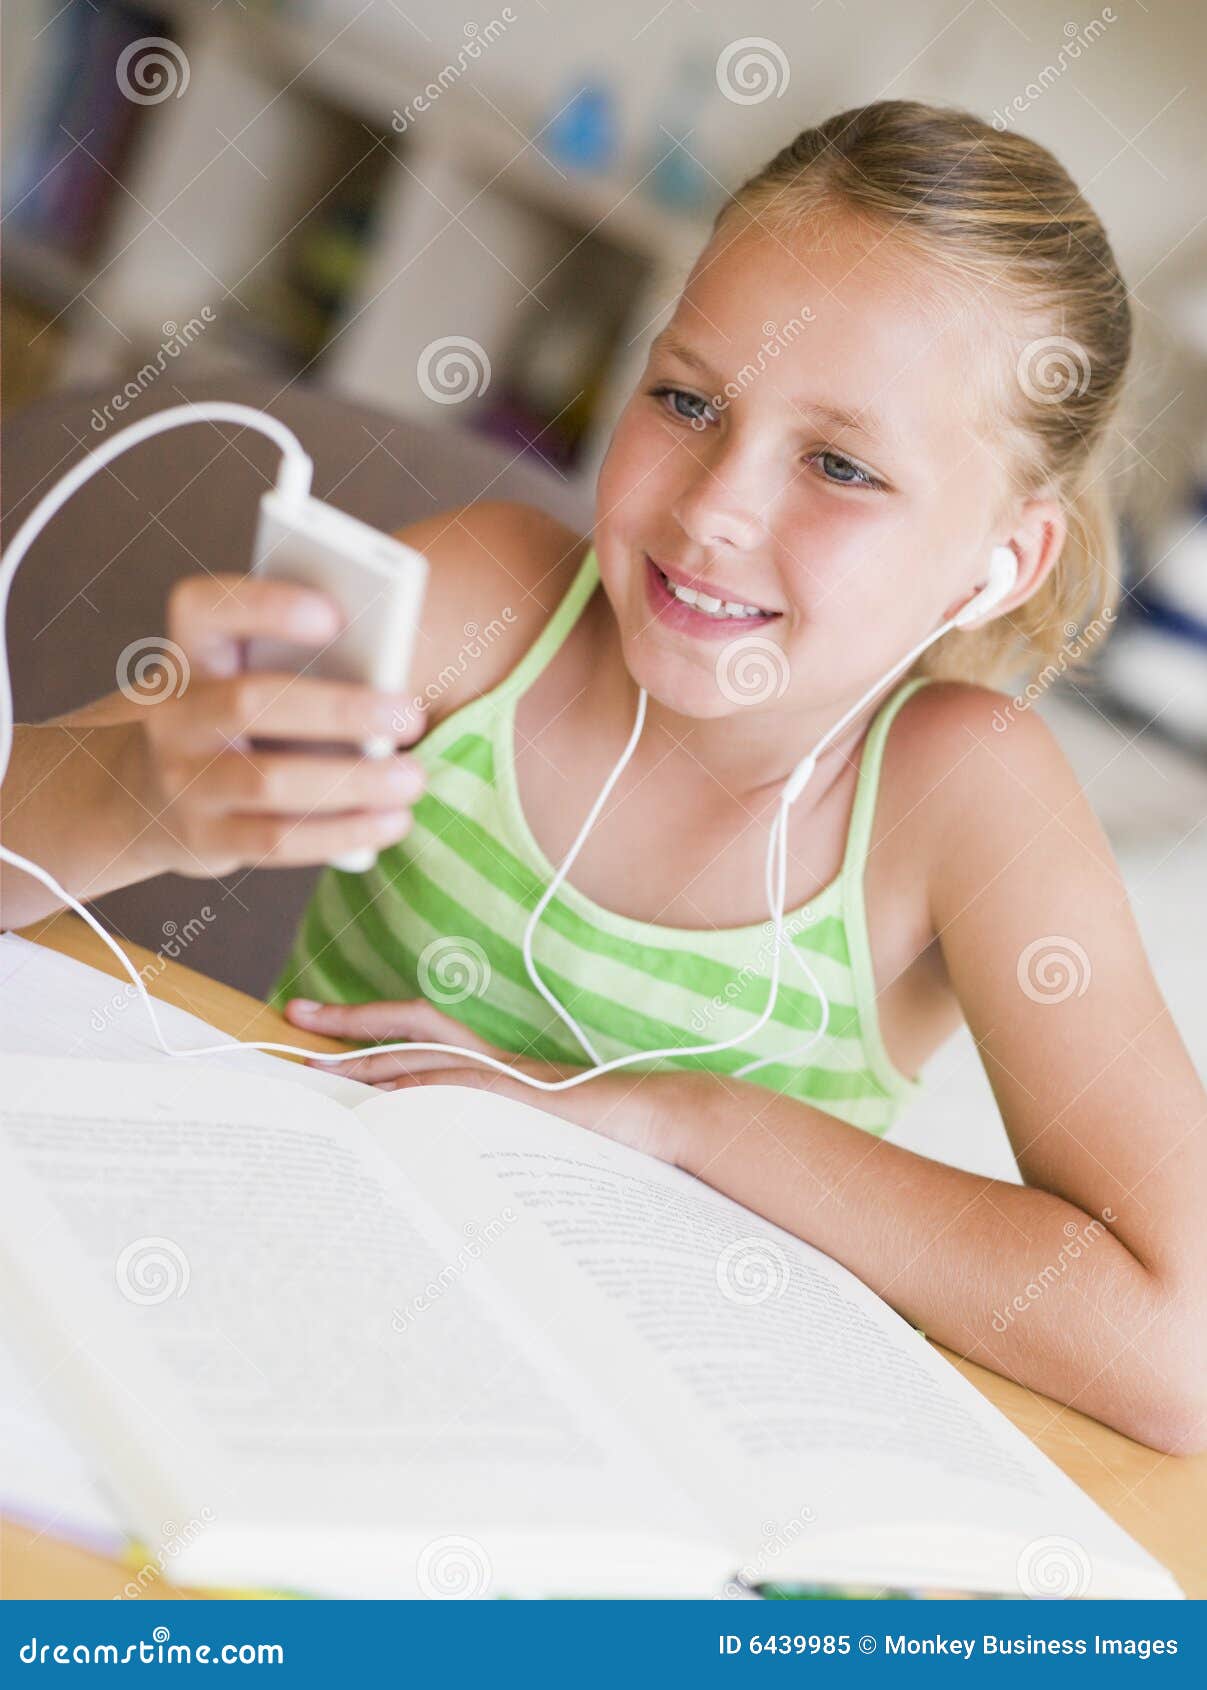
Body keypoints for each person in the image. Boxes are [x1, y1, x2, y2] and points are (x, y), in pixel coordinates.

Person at [4, 101, 1203, 1452]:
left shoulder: (962, 798)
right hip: (280, 1314)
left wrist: (670, 1120)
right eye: (687, 400)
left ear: (1002, 562)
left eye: (840, 465)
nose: (713, 508)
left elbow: (1184, 1344)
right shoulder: (491, 603)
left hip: (651, 1446)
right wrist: (139, 792)